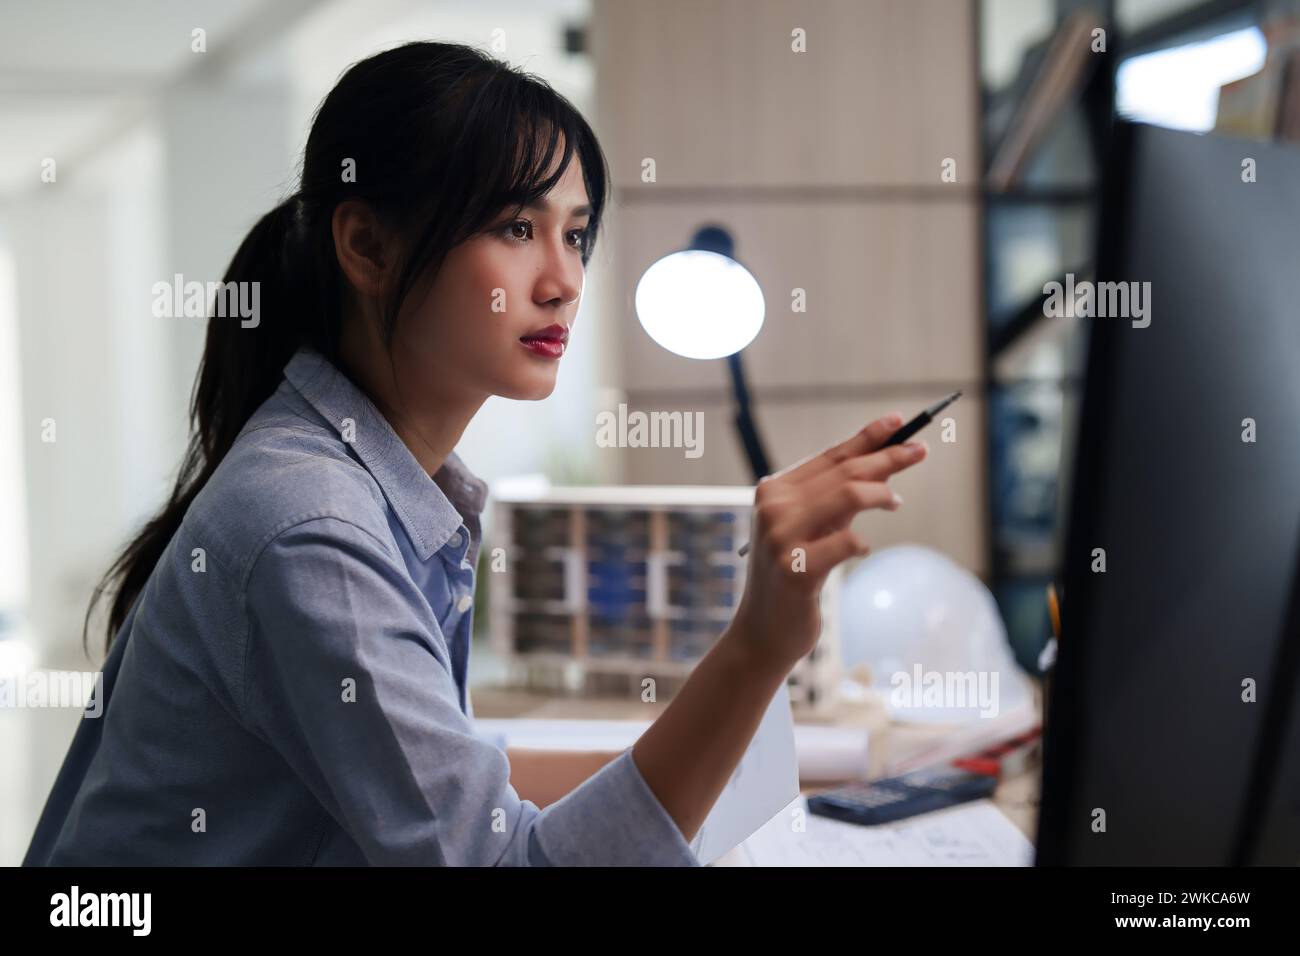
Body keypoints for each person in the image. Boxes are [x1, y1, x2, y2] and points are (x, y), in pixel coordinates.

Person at [24, 40, 928, 866]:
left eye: (574, 233)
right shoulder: (311, 527)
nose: (564, 280)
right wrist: (758, 645)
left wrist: (728, 749)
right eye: (513, 227)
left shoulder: (363, 484)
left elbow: (454, 778)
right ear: (367, 246)